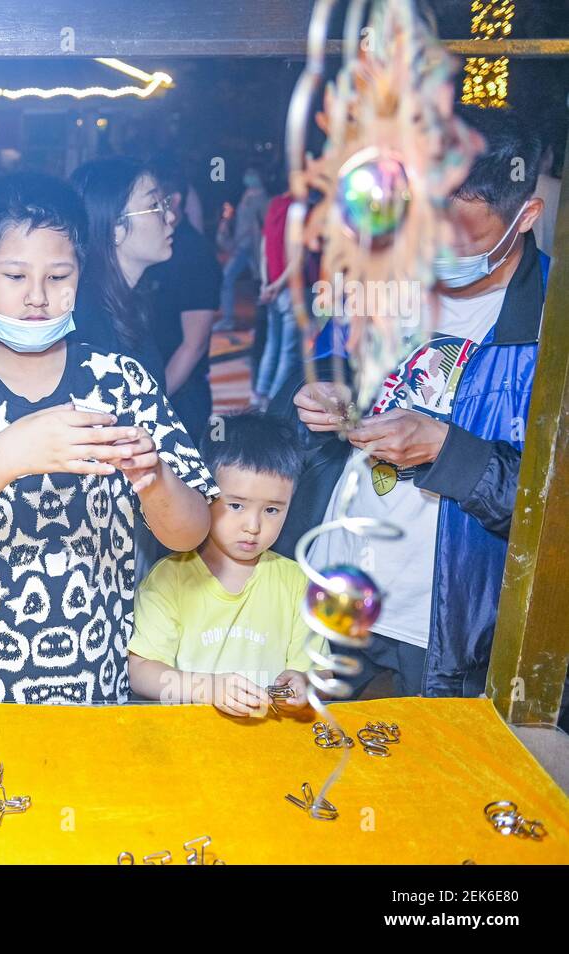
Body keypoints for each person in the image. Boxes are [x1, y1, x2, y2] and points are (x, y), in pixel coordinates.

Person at [0, 171, 217, 705]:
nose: (37, 297)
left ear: (82, 273)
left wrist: (153, 480)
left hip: (95, 685)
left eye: (58, 276)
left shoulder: (121, 383)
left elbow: (189, 533)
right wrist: (9, 454)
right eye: (14, 276)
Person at [274, 106, 548, 702]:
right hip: (335, 579)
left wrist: (449, 452)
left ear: (525, 216)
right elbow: (328, 362)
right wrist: (327, 391)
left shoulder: (553, 327)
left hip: (449, 622)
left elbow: (550, 510)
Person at [127, 412, 324, 716]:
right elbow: (140, 672)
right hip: (192, 744)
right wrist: (208, 689)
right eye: (236, 505)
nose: (253, 526)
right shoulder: (170, 578)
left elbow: (322, 674)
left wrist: (304, 682)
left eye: (272, 509)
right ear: (204, 494)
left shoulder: (298, 582)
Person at [70, 157, 174, 388]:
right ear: (114, 228)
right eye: (154, 206)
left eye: (164, 204)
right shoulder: (88, 322)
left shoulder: (129, 302)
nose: (170, 216)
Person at [143, 157, 221, 442]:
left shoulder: (194, 255)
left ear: (173, 200)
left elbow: (194, 343)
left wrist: (152, 402)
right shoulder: (155, 249)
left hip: (180, 396)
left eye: (154, 201)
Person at [252, 183, 299, 409]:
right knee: (288, 351)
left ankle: (259, 394)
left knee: (272, 344)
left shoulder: (274, 206)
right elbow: (298, 258)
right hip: (289, 289)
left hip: (271, 286)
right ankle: (272, 402)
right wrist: (279, 285)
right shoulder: (299, 209)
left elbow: (263, 250)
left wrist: (266, 283)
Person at [216, 167, 269, 332]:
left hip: (252, 247)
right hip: (243, 247)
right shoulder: (248, 195)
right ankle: (228, 319)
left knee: (258, 284)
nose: (249, 176)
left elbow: (258, 226)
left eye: (253, 173)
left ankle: (260, 323)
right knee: (228, 279)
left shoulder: (262, 198)